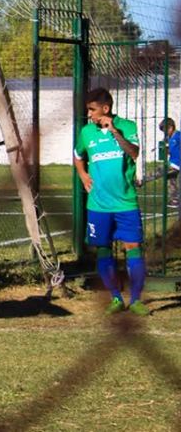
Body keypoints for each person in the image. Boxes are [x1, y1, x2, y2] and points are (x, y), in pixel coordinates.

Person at [74, 87, 149, 316]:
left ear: (105, 109)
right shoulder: (86, 132)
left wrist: (115, 132)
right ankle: (116, 298)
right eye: (88, 110)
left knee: (133, 248)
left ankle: (135, 300)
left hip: (125, 203)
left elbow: (135, 153)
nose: (89, 114)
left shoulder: (128, 127)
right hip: (98, 205)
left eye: (92, 110)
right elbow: (78, 156)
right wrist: (83, 175)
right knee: (103, 250)